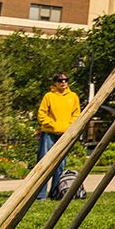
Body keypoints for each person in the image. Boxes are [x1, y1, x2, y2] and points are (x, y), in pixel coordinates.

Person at [36, 72, 81, 200]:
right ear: (55, 82)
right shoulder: (49, 96)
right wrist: (52, 125)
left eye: (66, 80)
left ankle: (56, 193)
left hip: (65, 135)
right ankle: (40, 195)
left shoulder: (73, 97)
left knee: (60, 164)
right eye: (60, 80)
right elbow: (41, 114)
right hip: (49, 134)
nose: (63, 82)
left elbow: (76, 114)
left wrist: (69, 126)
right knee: (44, 163)